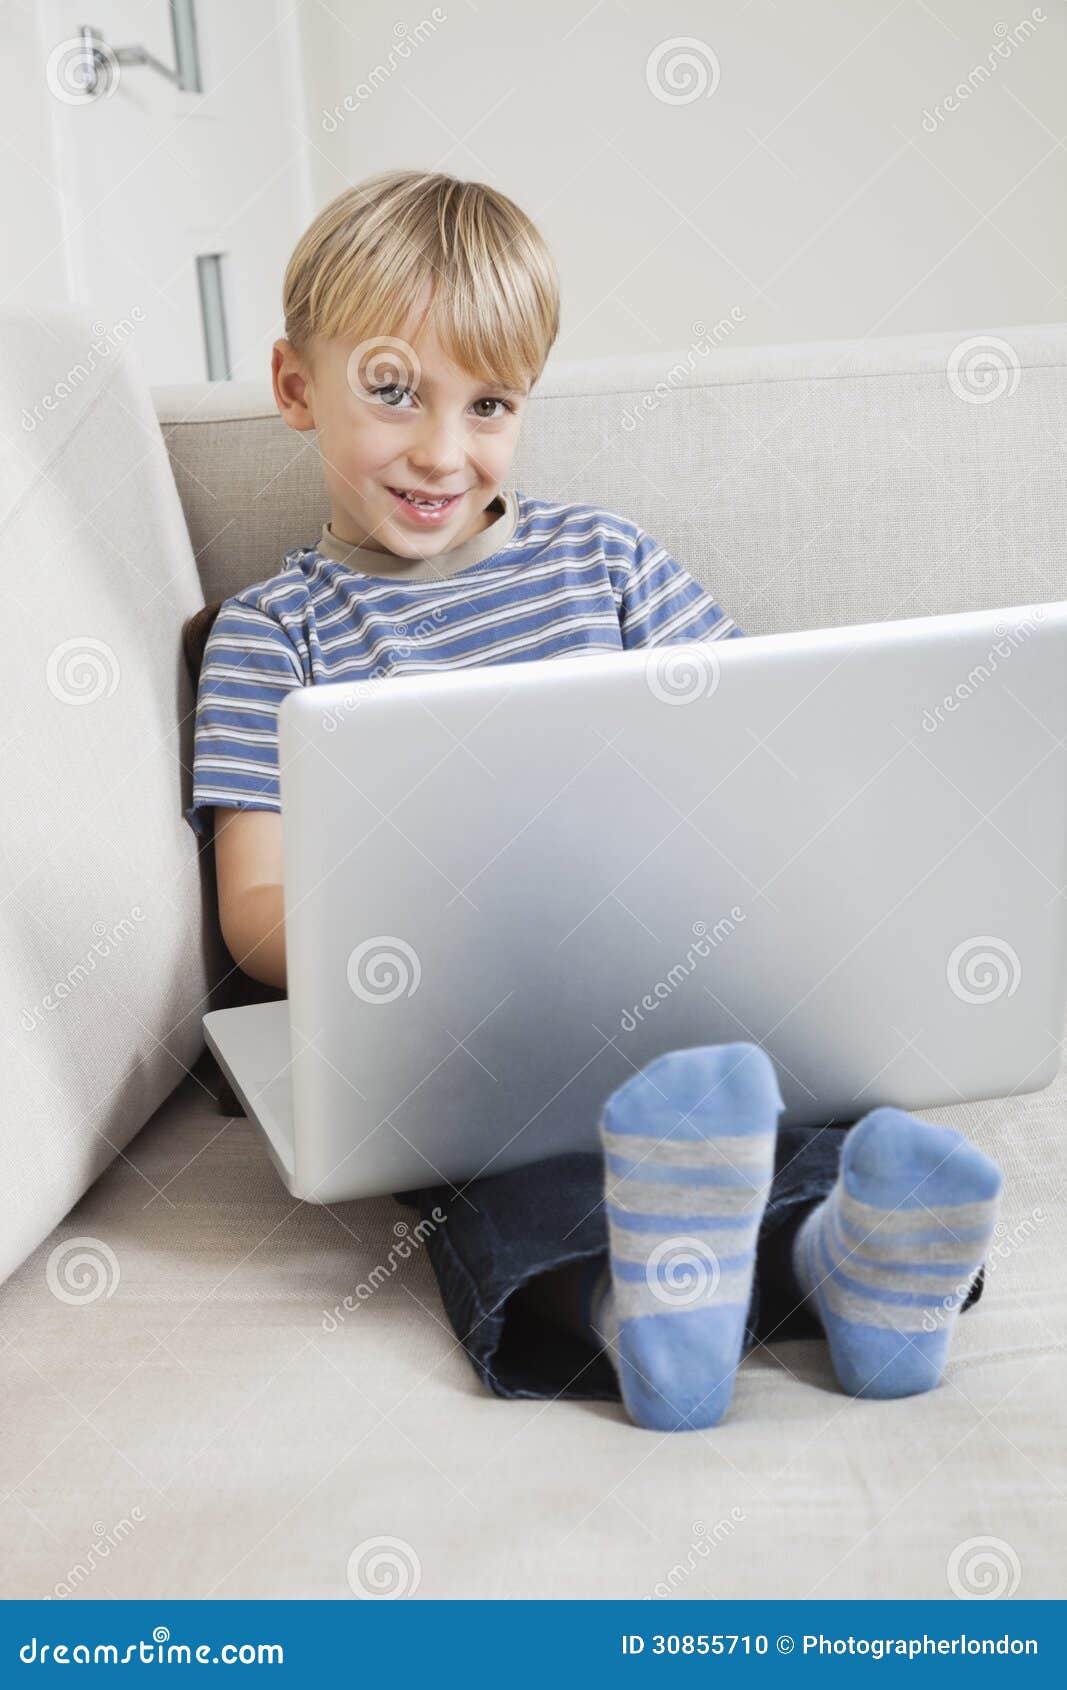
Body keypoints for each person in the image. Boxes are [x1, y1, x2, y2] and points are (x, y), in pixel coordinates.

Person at [181, 170, 1001, 1432]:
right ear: (296, 386)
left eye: (488, 403)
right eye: (393, 390)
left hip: (680, 1006)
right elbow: (253, 913)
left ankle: (845, 1265)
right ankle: (636, 1309)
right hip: (457, 1053)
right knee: (505, 1191)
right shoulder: (273, 632)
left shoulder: (606, 565)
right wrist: (439, 952)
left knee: (797, 1120)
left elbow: (762, 758)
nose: (441, 450)